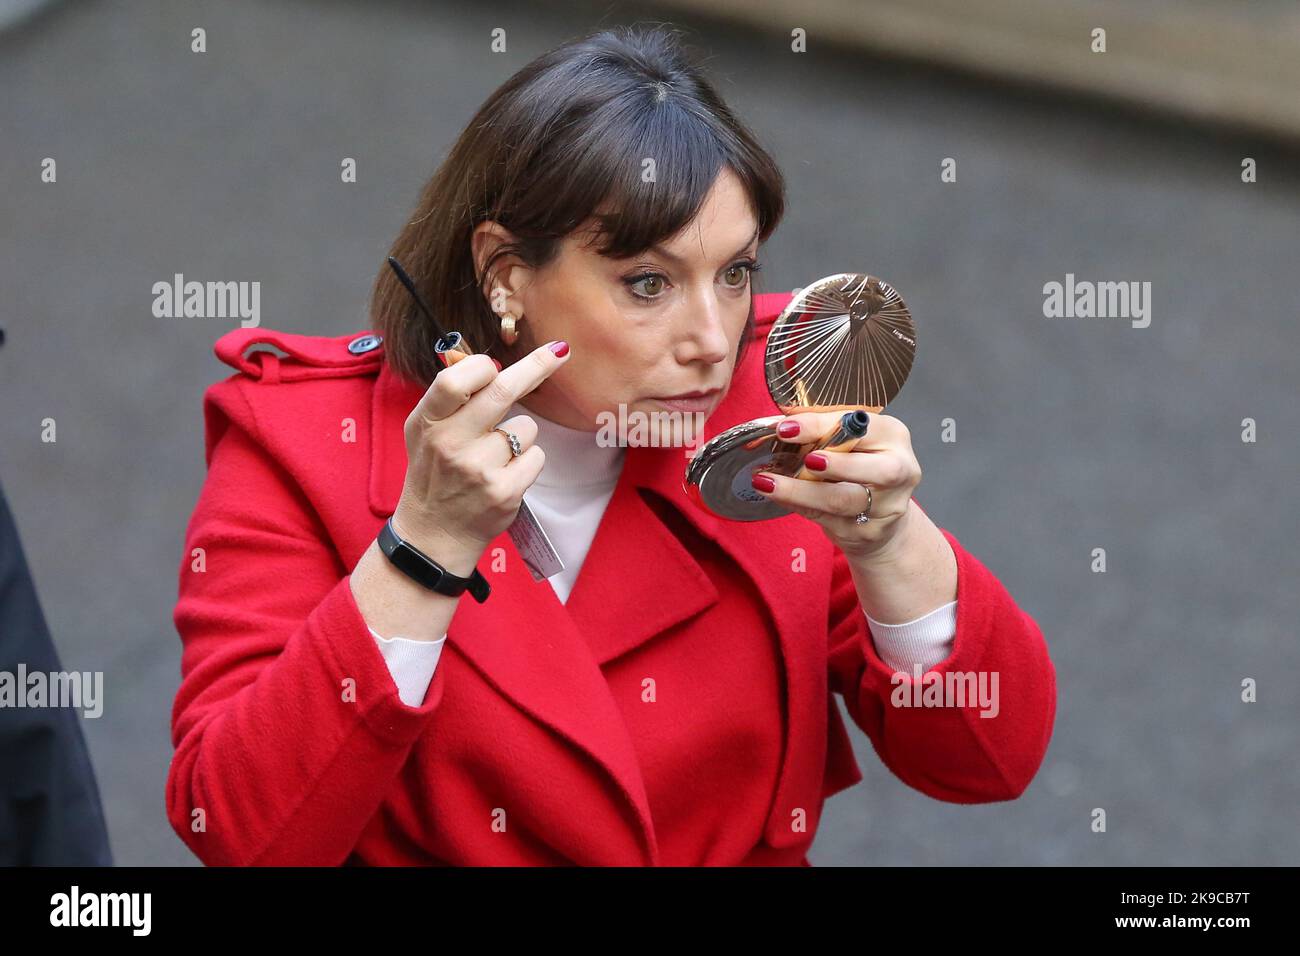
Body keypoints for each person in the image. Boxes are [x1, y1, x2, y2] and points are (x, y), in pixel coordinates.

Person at [166, 24, 1055, 866]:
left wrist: (893, 545)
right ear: (507, 275)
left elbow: (986, 759)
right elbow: (243, 831)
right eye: (647, 282)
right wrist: (423, 547)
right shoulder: (299, 443)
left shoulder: (772, 406)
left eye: (736, 273)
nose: (712, 337)